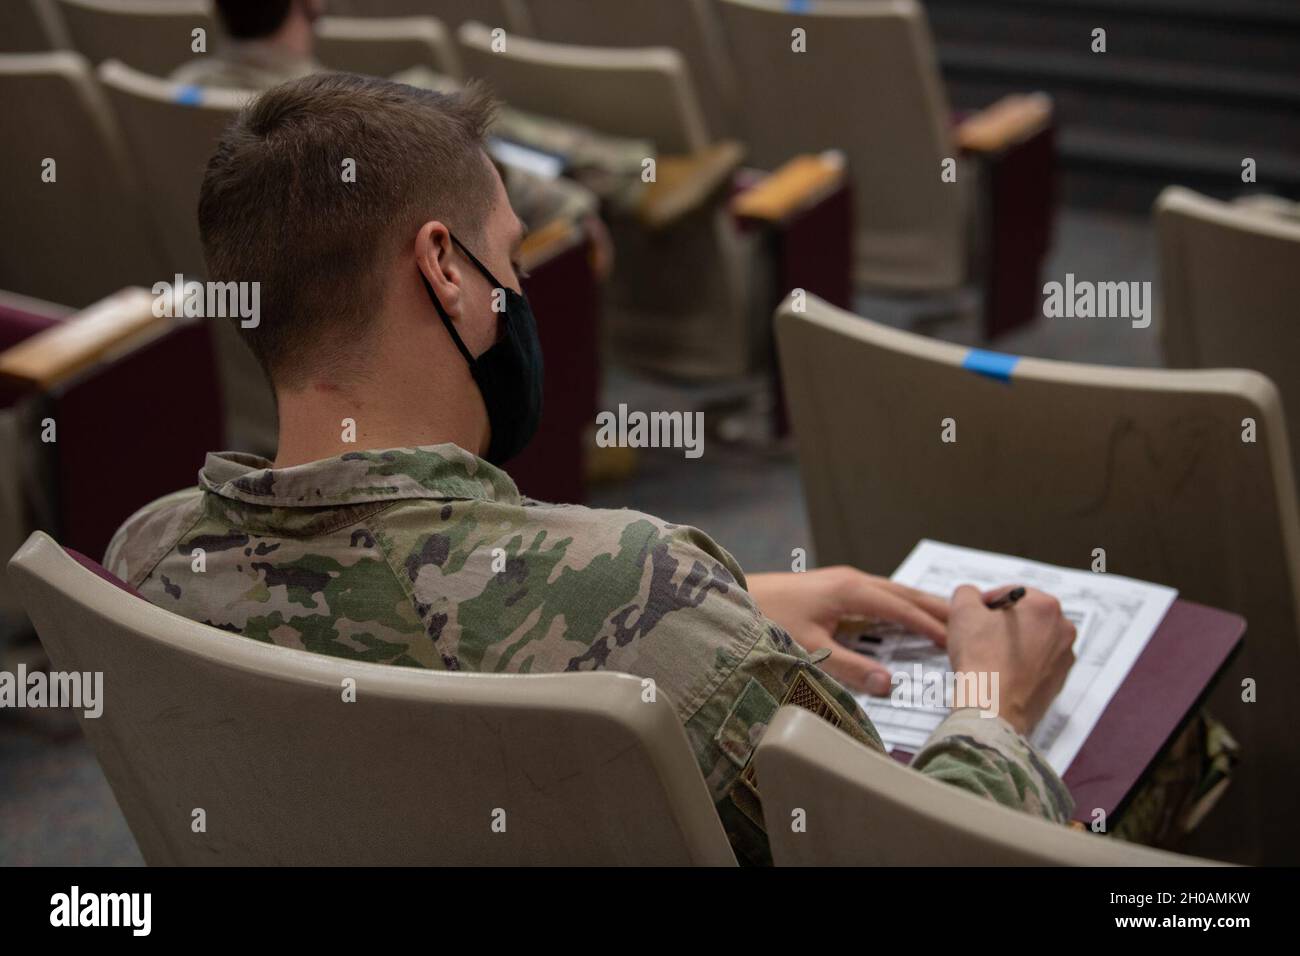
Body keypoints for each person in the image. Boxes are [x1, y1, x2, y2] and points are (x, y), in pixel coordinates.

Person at [104, 73, 1078, 865]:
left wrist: (727, 603)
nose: (521, 292)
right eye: (511, 260)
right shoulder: (640, 591)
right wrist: (994, 699)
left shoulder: (147, 561)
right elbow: (924, 852)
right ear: (443, 267)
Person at [172, 0, 612, 270]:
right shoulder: (333, 125)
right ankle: (616, 165)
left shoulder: (178, 88)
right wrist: (578, 209)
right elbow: (556, 208)